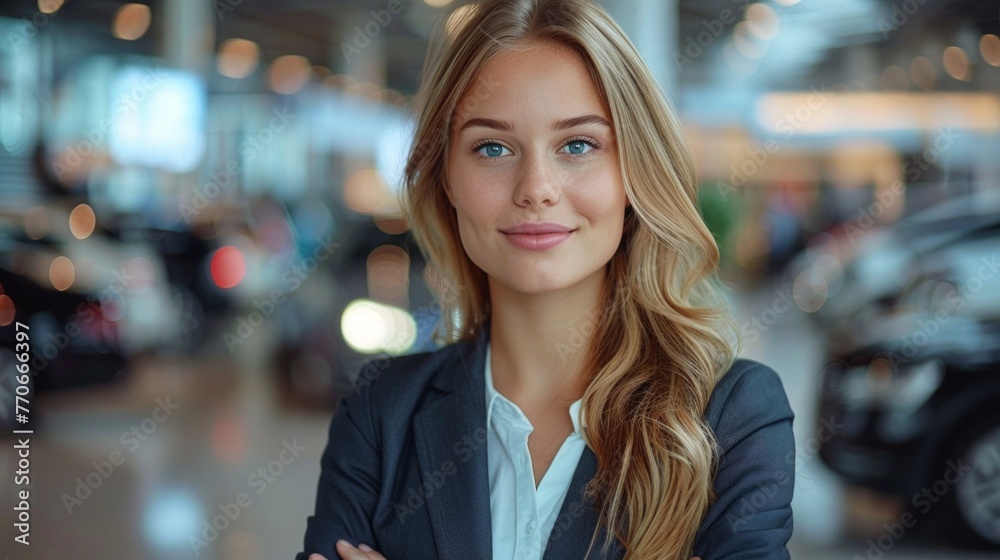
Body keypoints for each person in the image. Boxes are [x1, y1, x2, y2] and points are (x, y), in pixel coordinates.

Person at [295, 0, 795, 558]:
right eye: (492, 147)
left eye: (578, 145)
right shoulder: (380, 412)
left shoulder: (732, 415)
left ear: (634, 172)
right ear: (447, 180)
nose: (536, 187)